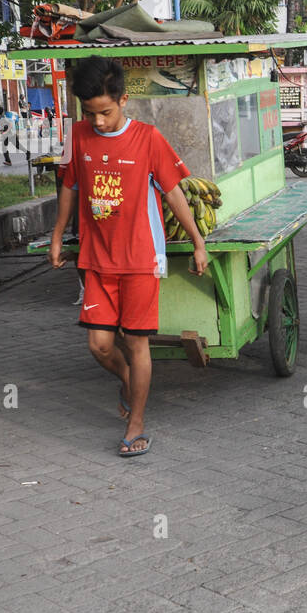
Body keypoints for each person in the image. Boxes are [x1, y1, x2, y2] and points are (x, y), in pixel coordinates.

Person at [49, 56, 208, 458]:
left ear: (123, 100)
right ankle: (126, 379)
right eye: (90, 113)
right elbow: (69, 187)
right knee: (99, 345)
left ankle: (136, 422)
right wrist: (56, 237)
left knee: (137, 345)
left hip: (140, 261)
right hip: (96, 261)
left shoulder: (149, 139)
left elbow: (174, 192)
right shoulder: (80, 136)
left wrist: (197, 242)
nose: (98, 121)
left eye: (104, 111)